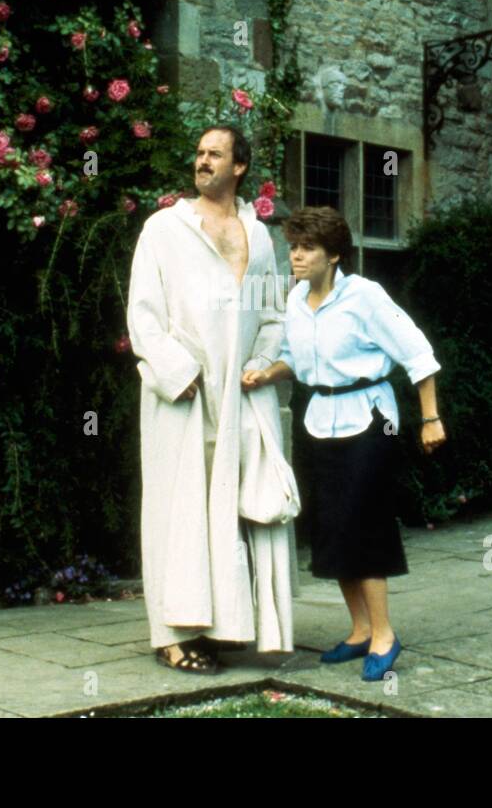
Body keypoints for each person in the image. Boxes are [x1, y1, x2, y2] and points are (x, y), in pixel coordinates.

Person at [241, 206, 445, 681]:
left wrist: (431, 417)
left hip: (369, 422)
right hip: (320, 423)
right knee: (332, 528)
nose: (296, 256)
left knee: (364, 524)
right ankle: (358, 631)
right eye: (292, 247)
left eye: (307, 248)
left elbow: (417, 353)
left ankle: (384, 635)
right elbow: (294, 356)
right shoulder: (296, 300)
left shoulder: (365, 297)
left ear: (333, 255)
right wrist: (265, 374)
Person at [126, 126, 298, 674]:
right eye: (198, 153)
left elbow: (274, 314)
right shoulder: (164, 229)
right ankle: (173, 635)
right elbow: (143, 316)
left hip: (242, 394)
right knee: (179, 511)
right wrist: (178, 372)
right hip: (184, 393)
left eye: (214, 154)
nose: (202, 162)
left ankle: (223, 626)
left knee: (236, 508)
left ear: (239, 166)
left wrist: (259, 364)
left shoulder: (260, 235)